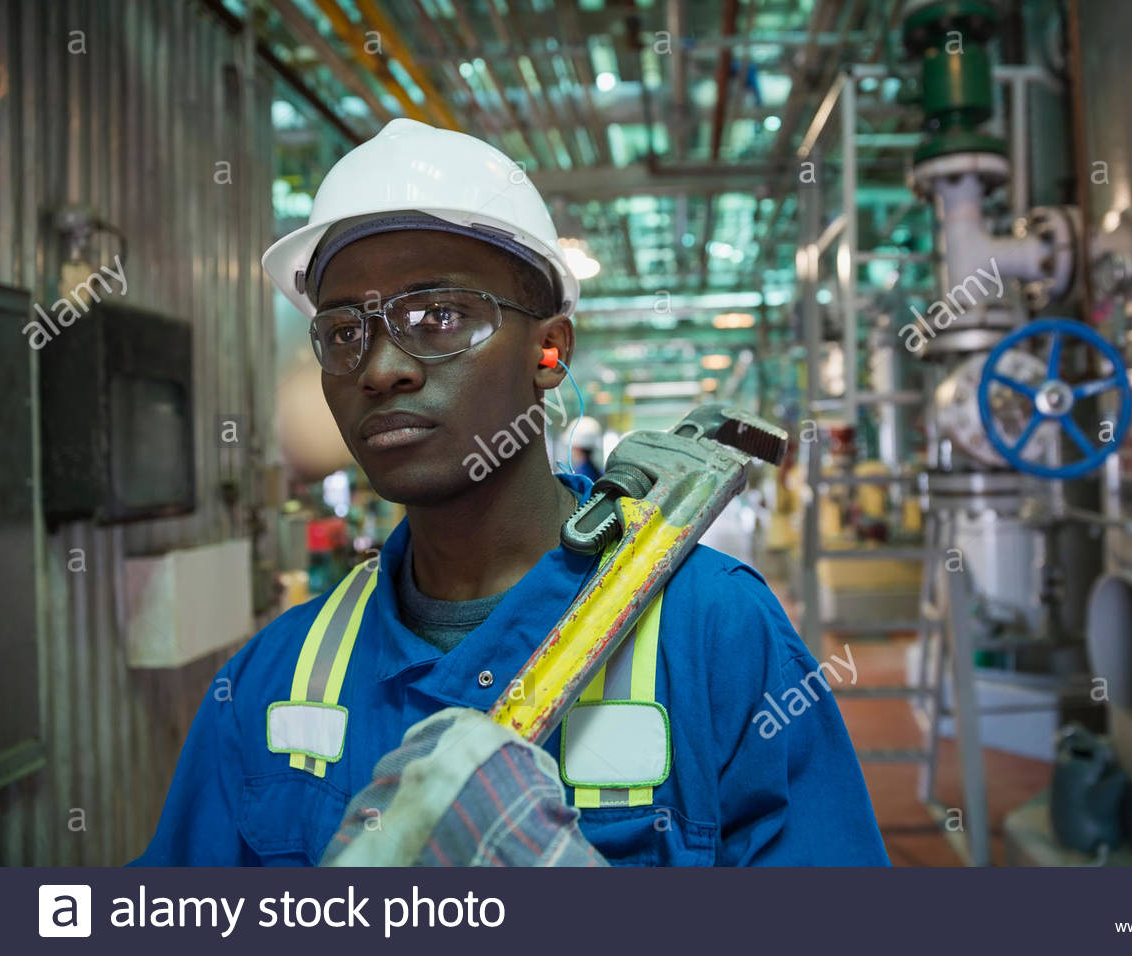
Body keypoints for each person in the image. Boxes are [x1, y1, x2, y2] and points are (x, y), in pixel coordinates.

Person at [133, 119, 889, 867]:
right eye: (343, 331)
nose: (381, 367)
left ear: (551, 350)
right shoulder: (271, 680)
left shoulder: (714, 634)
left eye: (440, 317)